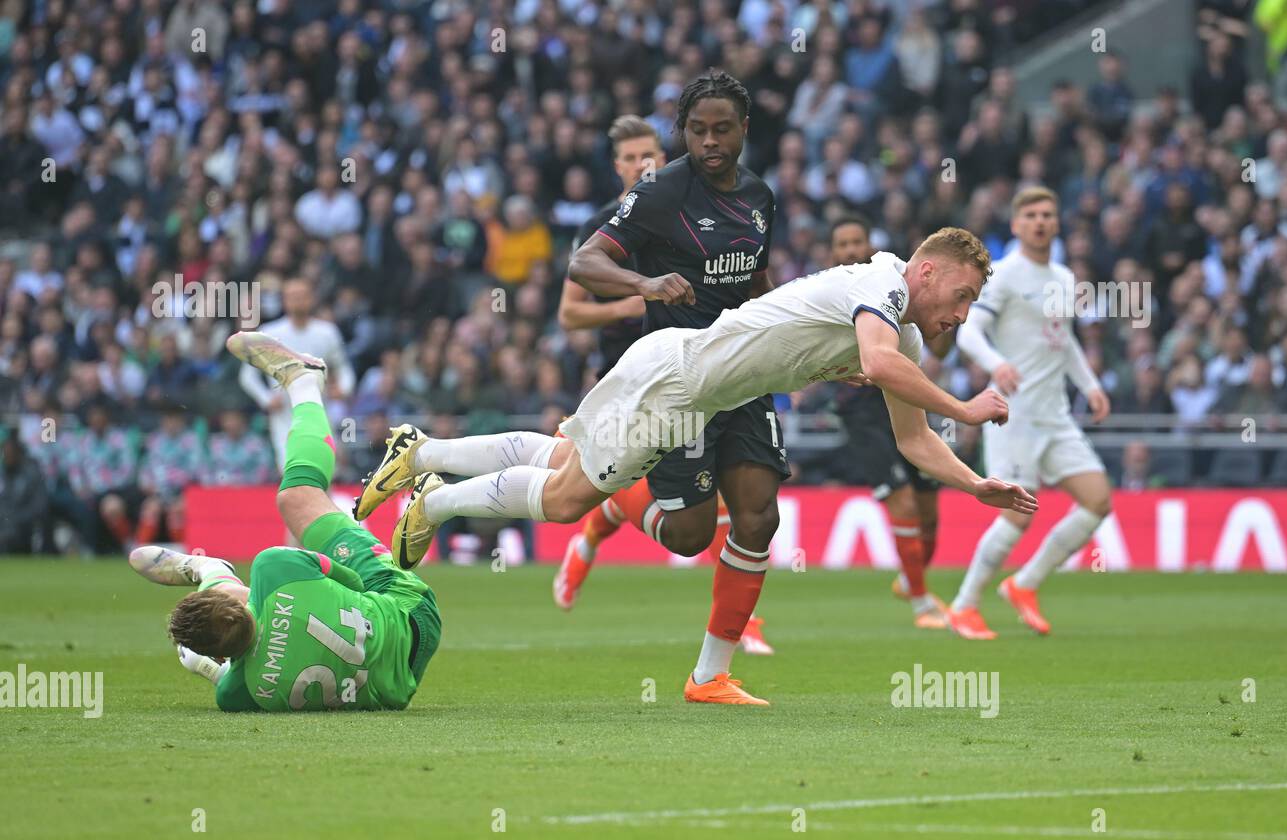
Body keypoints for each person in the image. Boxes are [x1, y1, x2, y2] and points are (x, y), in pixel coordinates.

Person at [356, 227, 1034, 705]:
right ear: (927, 272)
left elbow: (914, 440)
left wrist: (977, 484)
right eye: (964, 293)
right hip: (676, 386)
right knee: (566, 499)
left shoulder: (898, 330)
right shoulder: (881, 285)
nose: (963, 311)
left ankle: (424, 455)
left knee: (564, 459)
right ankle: (435, 501)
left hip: (686, 380)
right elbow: (883, 365)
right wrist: (969, 410)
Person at [557, 72, 782, 660]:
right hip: (679, 384)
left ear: (743, 130)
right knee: (690, 536)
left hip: (746, 376)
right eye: (698, 130)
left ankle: (711, 674)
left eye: (722, 130)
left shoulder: (760, 197)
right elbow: (584, 262)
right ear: (683, 131)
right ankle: (615, 499)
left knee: (758, 517)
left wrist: (806, 344)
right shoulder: (660, 192)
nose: (710, 141)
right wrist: (645, 283)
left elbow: (759, 282)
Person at [129, 331, 440, 712]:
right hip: (409, 610)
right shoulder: (271, 568)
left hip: (398, 685)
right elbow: (353, 582)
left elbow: (232, 675)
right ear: (242, 607)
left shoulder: (235, 693)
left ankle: (205, 568)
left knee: (261, 598)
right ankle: (304, 381)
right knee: (295, 497)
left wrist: (209, 668)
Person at [947, 188, 1113, 640]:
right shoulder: (1002, 275)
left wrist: (1091, 386)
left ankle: (1024, 584)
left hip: (1055, 415)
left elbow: (1064, 339)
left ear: (1056, 223)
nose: (1040, 221)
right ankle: (963, 606)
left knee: (1098, 499)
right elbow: (969, 333)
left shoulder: (1063, 276)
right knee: (1018, 515)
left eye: (1048, 215)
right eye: (1031, 215)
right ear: (1017, 224)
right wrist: (996, 363)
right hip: (1013, 414)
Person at [825, 217, 956, 628]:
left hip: (903, 400)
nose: (848, 249)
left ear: (869, 245)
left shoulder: (894, 289)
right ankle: (921, 604)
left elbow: (940, 347)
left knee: (929, 513)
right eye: (841, 243)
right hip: (861, 411)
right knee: (901, 502)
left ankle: (911, 580)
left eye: (855, 241)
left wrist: (951, 312)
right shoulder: (833, 291)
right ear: (833, 253)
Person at [238, 277, 356, 470]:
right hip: (285, 418)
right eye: (292, 296)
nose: (298, 301)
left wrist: (344, 388)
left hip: (320, 414)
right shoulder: (269, 333)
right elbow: (247, 376)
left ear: (312, 299)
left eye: (302, 296)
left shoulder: (327, 332)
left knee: (324, 473)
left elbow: (343, 368)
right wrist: (266, 399)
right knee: (292, 476)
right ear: (284, 301)